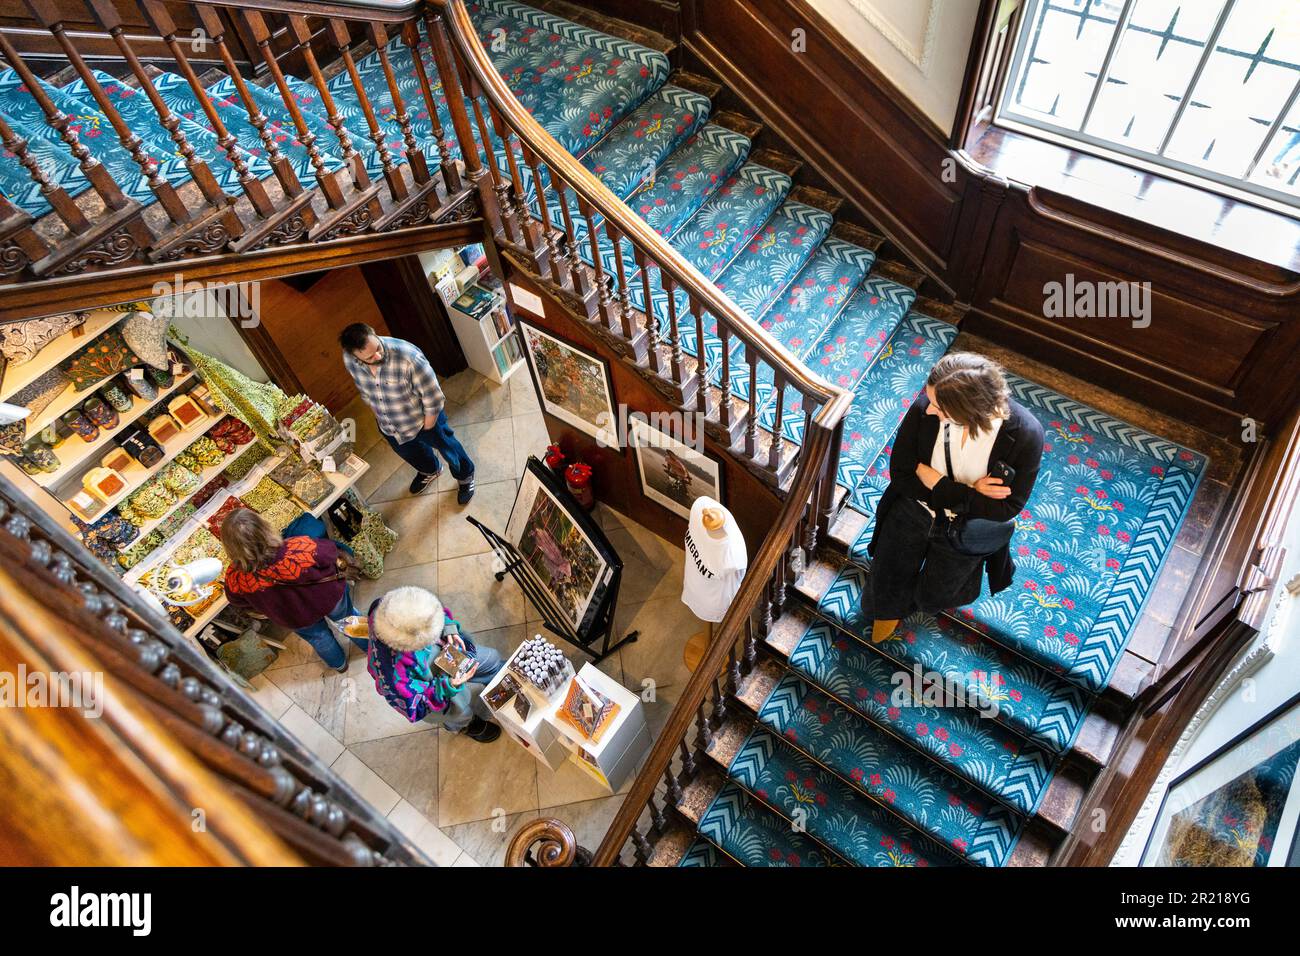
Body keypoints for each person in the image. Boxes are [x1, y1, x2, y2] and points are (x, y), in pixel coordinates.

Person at [866, 352, 1044, 644]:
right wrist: (971, 492)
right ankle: (886, 612)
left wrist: (937, 483)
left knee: (939, 590)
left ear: (970, 411)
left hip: (965, 526)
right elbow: (902, 474)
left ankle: (920, 602)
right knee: (890, 572)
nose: (929, 410)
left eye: (940, 407)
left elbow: (1008, 507)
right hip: (914, 509)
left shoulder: (1026, 435)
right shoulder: (925, 409)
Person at [339, 323, 476, 503]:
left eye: (378, 348)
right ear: (356, 355)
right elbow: (365, 389)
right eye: (370, 357)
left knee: (449, 449)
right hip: (389, 424)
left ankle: (465, 476)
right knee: (411, 454)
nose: (378, 355)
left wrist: (428, 427)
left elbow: (433, 397)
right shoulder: (349, 359)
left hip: (425, 421)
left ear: (373, 333)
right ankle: (430, 470)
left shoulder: (408, 357)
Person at [222, 508, 368, 672]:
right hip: (329, 597)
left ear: (230, 548)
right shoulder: (298, 547)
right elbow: (330, 553)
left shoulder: (234, 578)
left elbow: (237, 601)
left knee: (319, 638)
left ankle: (339, 664)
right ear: (265, 528)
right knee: (349, 619)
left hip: (294, 617)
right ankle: (370, 647)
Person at [365, 585, 503, 743]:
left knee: (491, 660)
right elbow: (415, 706)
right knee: (459, 712)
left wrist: (448, 628)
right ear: (414, 646)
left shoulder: (388, 605)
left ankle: (496, 683)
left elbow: (434, 610)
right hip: (433, 685)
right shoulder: (392, 676)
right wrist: (447, 686)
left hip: (445, 654)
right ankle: (467, 725)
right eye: (431, 637)